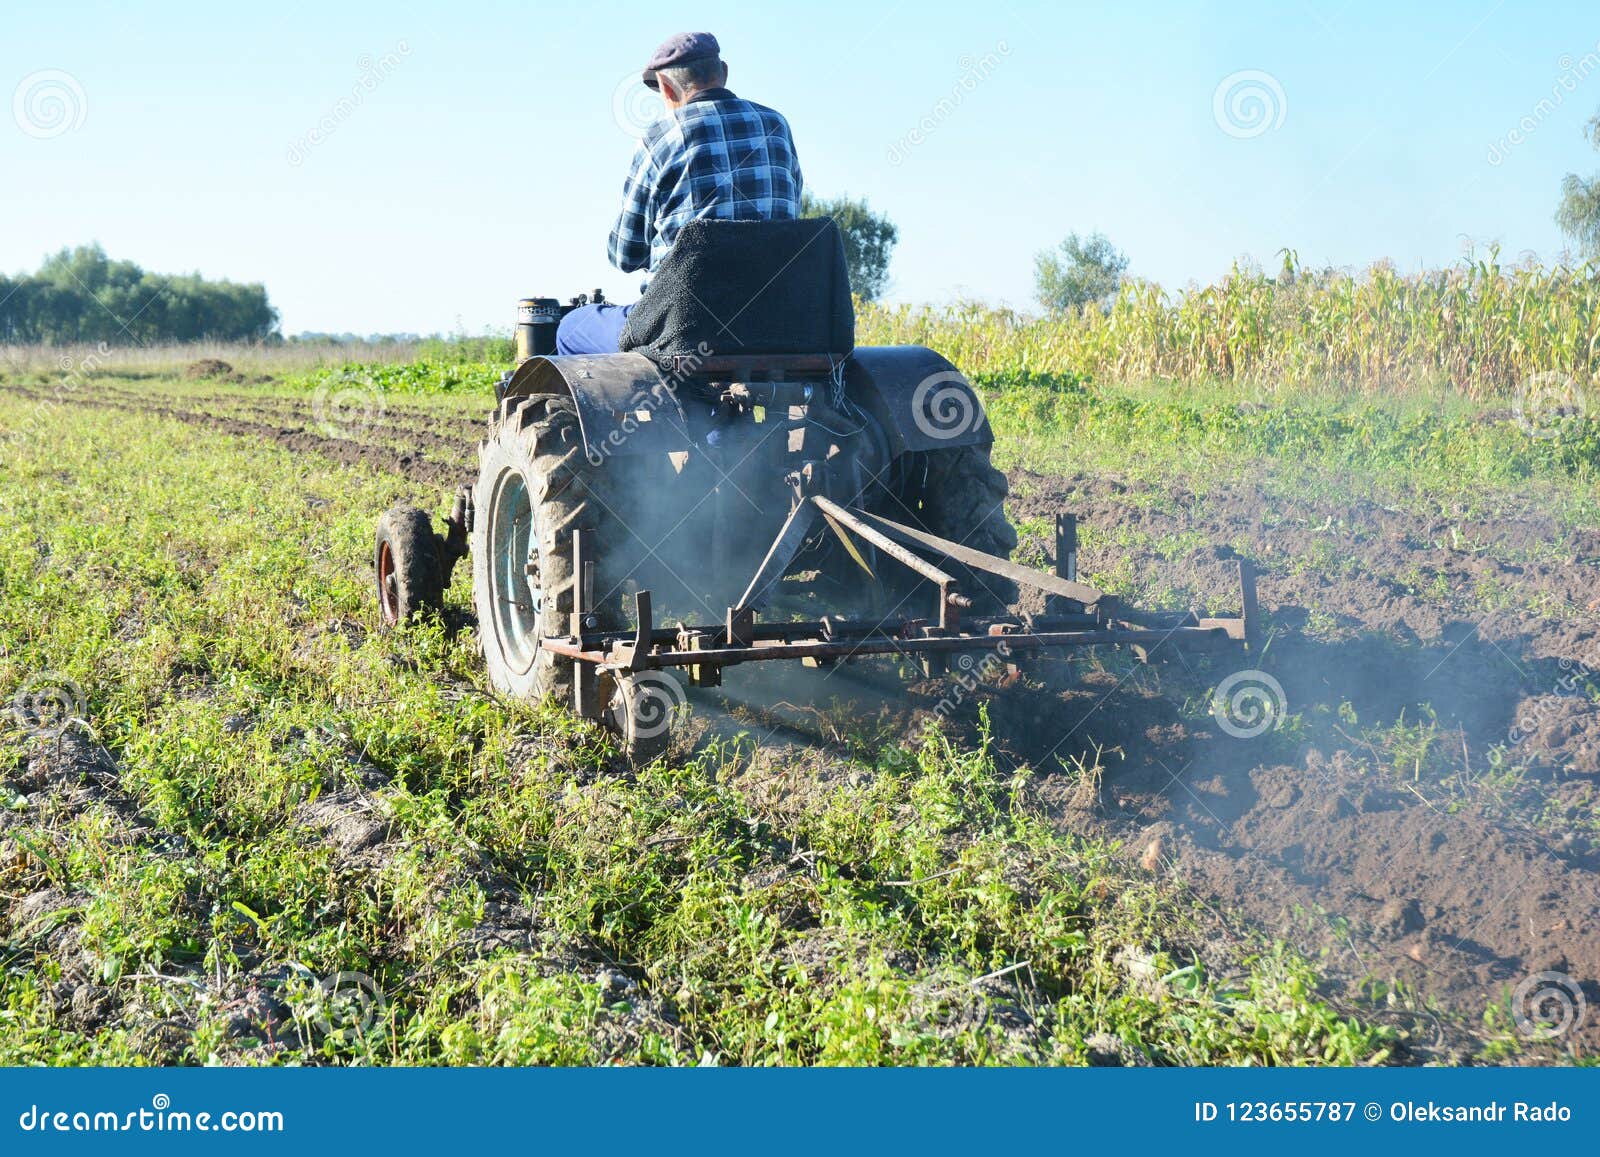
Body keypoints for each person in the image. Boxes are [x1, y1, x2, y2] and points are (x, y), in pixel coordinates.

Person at [555, 32, 804, 355]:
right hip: (770, 321)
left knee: (570, 328)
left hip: (684, 327)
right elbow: (790, 219)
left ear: (667, 88)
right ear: (723, 72)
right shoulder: (776, 125)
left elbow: (625, 255)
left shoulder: (661, 135)